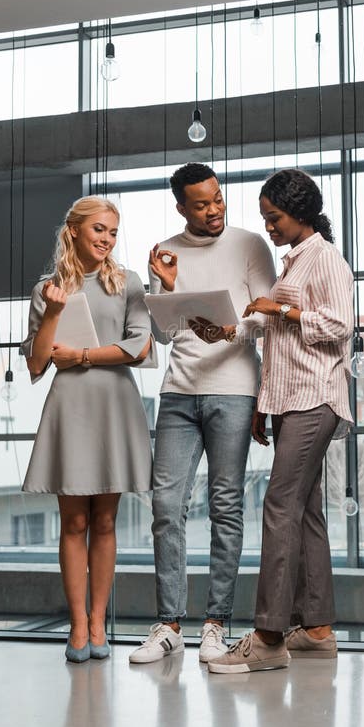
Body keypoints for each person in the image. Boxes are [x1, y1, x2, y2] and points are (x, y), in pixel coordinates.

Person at [208, 168, 354, 674]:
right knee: (305, 511)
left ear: (300, 214)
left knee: (280, 504)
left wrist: (284, 313)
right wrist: (263, 405)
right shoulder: (293, 265)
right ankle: (316, 630)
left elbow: (340, 324)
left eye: (273, 218)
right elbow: (268, 328)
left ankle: (269, 636)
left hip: (317, 399)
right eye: (265, 219)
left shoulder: (324, 259)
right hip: (292, 400)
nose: (267, 227)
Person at [129, 163, 276, 665]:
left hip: (234, 389)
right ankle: (169, 625)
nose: (214, 210)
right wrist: (165, 285)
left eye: (218, 198)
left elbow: (267, 313)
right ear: (181, 208)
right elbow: (168, 334)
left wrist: (232, 332)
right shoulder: (166, 251)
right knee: (166, 506)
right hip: (179, 391)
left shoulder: (250, 244)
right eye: (201, 204)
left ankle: (215, 624)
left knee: (226, 506)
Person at [22, 196, 154, 663]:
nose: (107, 240)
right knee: (73, 521)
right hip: (71, 407)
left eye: (113, 232)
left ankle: (100, 620)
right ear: (74, 230)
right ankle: (78, 624)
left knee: (105, 520)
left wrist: (79, 356)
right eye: (99, 229)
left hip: (115, 403)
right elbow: (38, 362)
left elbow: (139, 346)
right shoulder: (48, 288)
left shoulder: (129, 283)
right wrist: (54, 313)